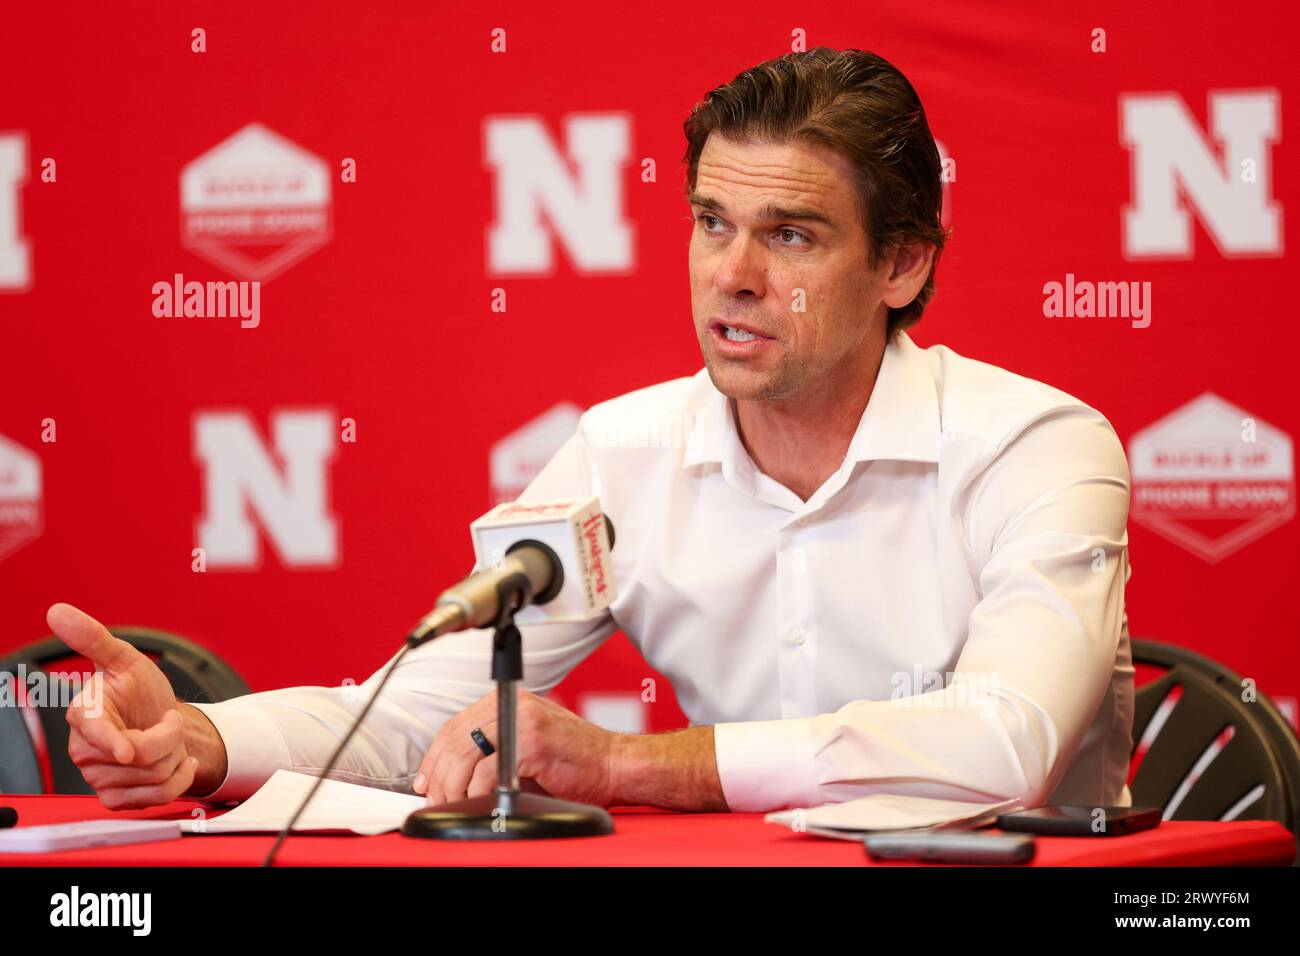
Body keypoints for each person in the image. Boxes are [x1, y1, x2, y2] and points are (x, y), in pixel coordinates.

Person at [50, 47, 1133, 815]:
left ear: (902, 264)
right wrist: (200, 737)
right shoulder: (625, 453)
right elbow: (422, 709)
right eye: (711, 223)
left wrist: (635, 763)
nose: (733, 276)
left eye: (789, 235)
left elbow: (1005, 741)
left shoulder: (1036, 444)